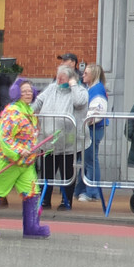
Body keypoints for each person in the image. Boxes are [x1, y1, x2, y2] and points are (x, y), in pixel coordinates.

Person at [0, 79, 50, 238]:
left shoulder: (28, 110)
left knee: (32, 192)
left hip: (26, 163)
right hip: (10, 161)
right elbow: (5, 137)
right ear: (16, 93)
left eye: (30, 91)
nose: (28, 94)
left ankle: (32, 227)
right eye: (24, 91)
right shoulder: (12, 111)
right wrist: (19, 151)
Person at [34, 64, 89, 210]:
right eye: (58, 77)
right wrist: (27, 111)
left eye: (62, 78)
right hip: (47, 139)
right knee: (47, 172)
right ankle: (45, 199)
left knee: (67, 173)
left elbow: (79, 102)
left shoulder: (80, 91)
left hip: (68, 141)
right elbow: (38, 101)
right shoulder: (52, 88)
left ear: (71, 78)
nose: (58, 80)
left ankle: (66, 200)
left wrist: (73, 85)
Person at [78, 64, 109, 203]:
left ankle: (91, 192)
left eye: (86, 73)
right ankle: (84, 190)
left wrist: (83, 123)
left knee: (90, 160)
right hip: (90, 128)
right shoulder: (92, 88)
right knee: (87, 160)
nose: (83, 75)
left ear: (93, 75)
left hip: (93, 129)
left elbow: (97, 113)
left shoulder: (97, 90)